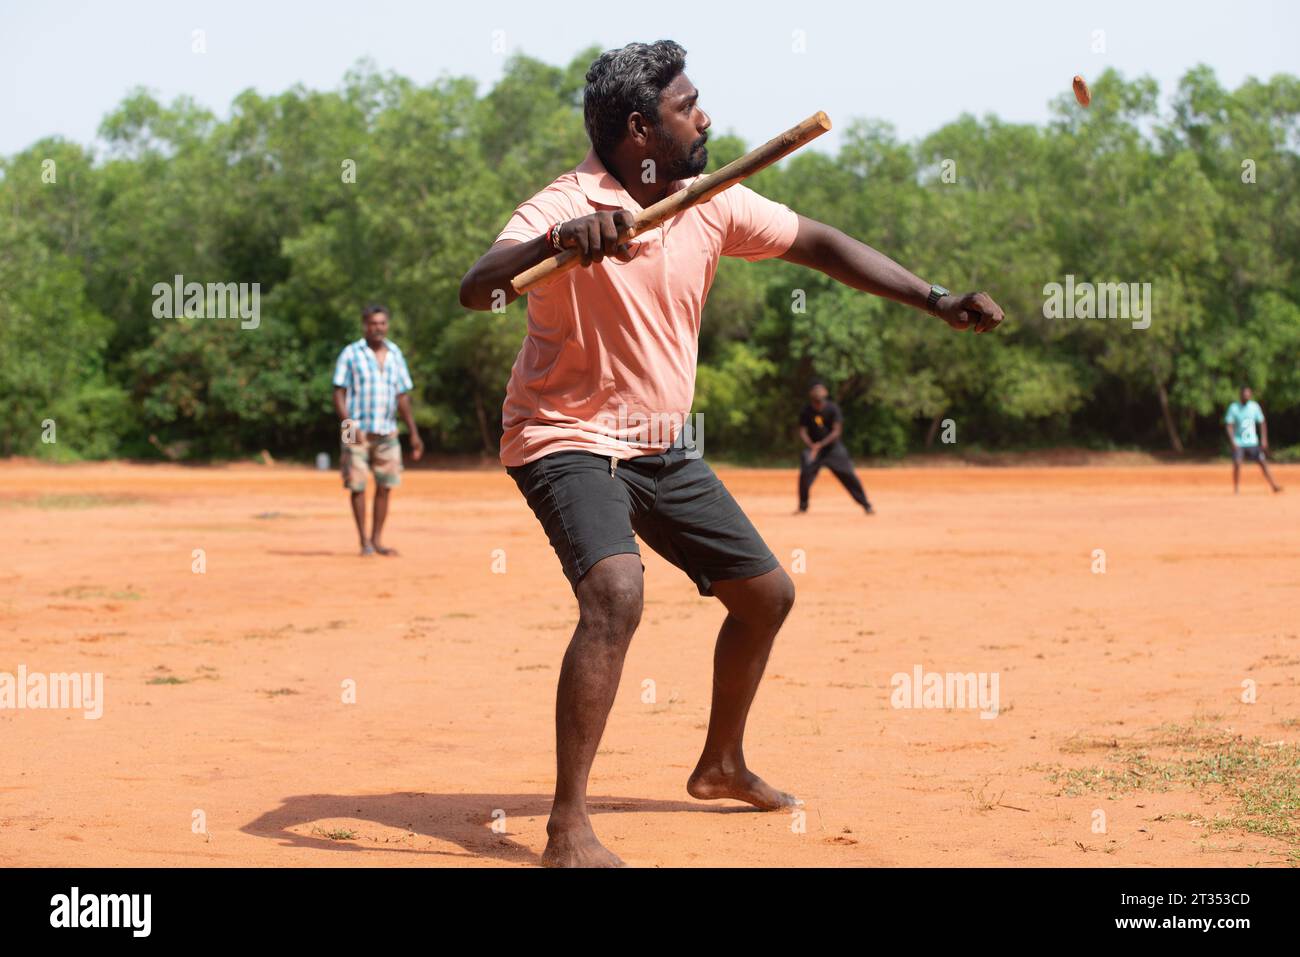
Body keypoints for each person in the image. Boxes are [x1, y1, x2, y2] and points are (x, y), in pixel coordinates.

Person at [459, 40, 1004, 867]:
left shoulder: (708, 201)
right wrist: (562, 240)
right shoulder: (565, 202)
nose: (705, 116)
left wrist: (934, 298)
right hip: (563, 435)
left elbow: (819, 243)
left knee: (766, 596)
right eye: (688, 106)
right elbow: (480, 287)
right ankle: (567, 826)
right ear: (641, 127)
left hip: (659, 447)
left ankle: (719, 764)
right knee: (614, 592)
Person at [331, 304, 424, 555]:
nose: (378, 327)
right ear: (364, 325)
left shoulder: (395, 353)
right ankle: (364, 542)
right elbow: (338, 392)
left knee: (386, 485)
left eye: (382, 323)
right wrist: (348, 424)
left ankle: (377, 539)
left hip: (387, 431)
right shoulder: (351, 353)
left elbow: (402, 395)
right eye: (373, 323)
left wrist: (413, 433)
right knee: (357, 485)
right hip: (355, 430)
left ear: (387, 325)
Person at [797, 380, 874, 515]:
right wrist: (811, 445)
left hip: (832, 449)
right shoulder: (806, 411)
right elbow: (802, 430)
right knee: (805, 474)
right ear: (810, 394)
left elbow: (836, 431)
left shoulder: (833, 408)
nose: (818, 392)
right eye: (815, 390)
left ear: (825, 393)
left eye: (820, 389)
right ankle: (803, 506)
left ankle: (866, 505)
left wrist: (821, 445)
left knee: (849, 475)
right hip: (814, 449)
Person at [1225, 386, 1281, 494]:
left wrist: (1264, 439)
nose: (1246, 397)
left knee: (1263, 462)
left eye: (1248, 395)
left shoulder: (1254, 407)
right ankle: (1236, 488)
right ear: (1240, 395)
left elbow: (1262, 423)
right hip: (1239, 442)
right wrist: (1232, 441)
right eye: (1244, 395)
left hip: (1252, 442)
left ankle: (1274, 485)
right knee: (1237, 463)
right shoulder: (1234, 407)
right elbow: (1229, 425)